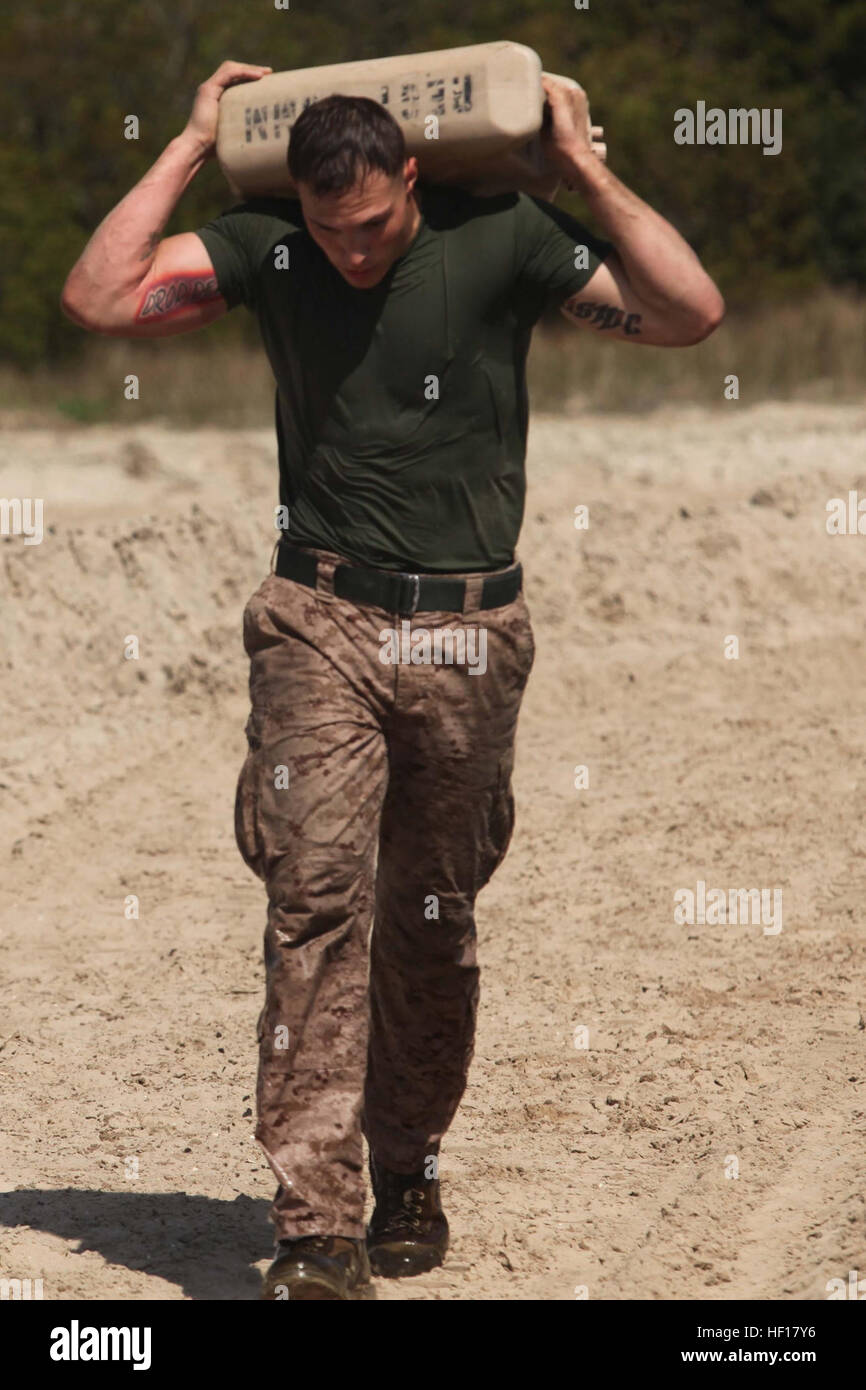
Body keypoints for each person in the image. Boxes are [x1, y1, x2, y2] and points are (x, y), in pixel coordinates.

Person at [61, 59, 724, 1301]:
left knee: (432, 915)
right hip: (316, 614)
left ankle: (408, 1157)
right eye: (327, 229)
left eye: (367, 227)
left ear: (409, 178)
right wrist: (193, 143)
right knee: (313, 899)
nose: (349, 253)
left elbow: (688, 311)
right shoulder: (269, 249)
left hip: (468, 632)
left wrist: (578, 167)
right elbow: (99, 296)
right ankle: (315, 1228)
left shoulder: (502, 237)